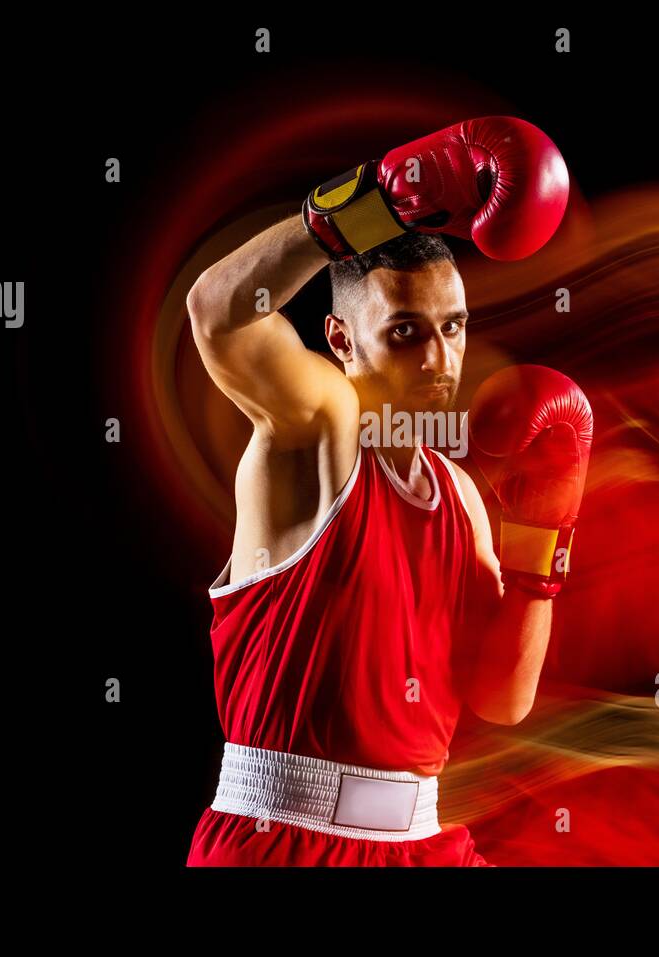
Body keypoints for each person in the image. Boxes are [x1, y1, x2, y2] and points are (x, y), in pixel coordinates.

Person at [183, 117, 590, 866]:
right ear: (340, 340)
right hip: (285, 842)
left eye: (454, 327)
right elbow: (217, 314)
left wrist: (547, 527)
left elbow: (503, 697)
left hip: (422, 843)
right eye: (407, 332)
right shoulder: (321, 432)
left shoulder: (460, 495)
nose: (440, 359)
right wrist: (366, 207)